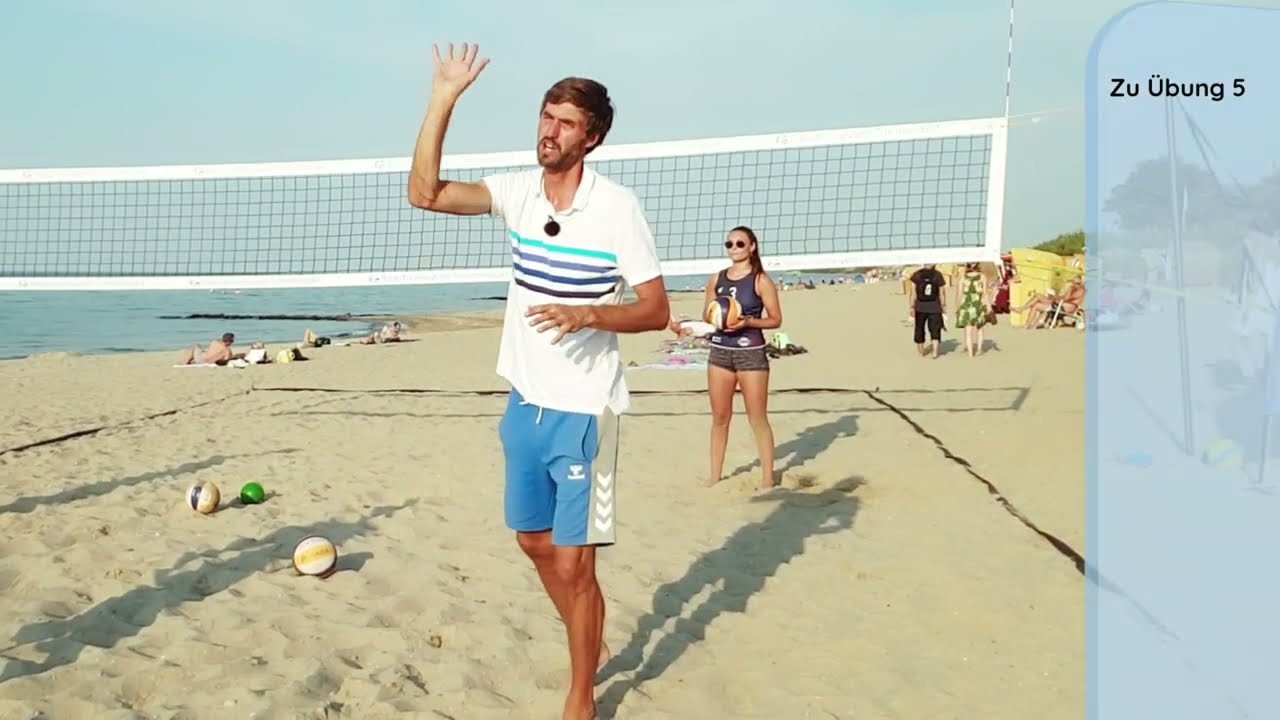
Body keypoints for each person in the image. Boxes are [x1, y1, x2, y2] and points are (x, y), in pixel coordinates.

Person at [405, 42, 669, 720]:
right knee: (532, 542)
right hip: (525, 405)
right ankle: (588, 633)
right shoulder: (519, 192)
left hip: (587, 414)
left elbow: (656, 309)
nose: (550, 131)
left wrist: (589, 313)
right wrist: (442, 100)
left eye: (566, 123)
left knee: (578, 566)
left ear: (592, 137)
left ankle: (582, 693)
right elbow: (424, 194)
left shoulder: (617, 209)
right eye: (546, 116)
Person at [703, 226, 781, 490]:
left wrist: (747, 321)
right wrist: (711, 320)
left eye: (739, 243)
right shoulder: (716, 278)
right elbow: (708, 314)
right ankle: (714, 477)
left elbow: (775, 319)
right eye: (729, 244)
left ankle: (768, 479)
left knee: (757, 417)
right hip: (720, 352)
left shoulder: (760, 280)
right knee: (720, 417)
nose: (734, 248)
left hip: (751, 352)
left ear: (752, 247)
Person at [954, 262, 994, 357]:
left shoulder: (963, 277)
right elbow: (985, 293)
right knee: (979, 329)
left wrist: (957, 307)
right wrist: (989, 306)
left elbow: (959, 294)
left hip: (966, 304)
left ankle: (970, 353)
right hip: (978, 304)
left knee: (968, 332)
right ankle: (979, 350)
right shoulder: (982, 277)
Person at [908, 264, 946, 358]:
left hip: (920, 306)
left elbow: (913, 293)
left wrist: (911, 306)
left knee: (919, 328)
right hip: (935, 306)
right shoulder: (938, 275)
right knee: (935, 329)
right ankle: (935, 352)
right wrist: (943, 305)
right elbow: (942, 293)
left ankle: (921, 352)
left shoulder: (917, 275)